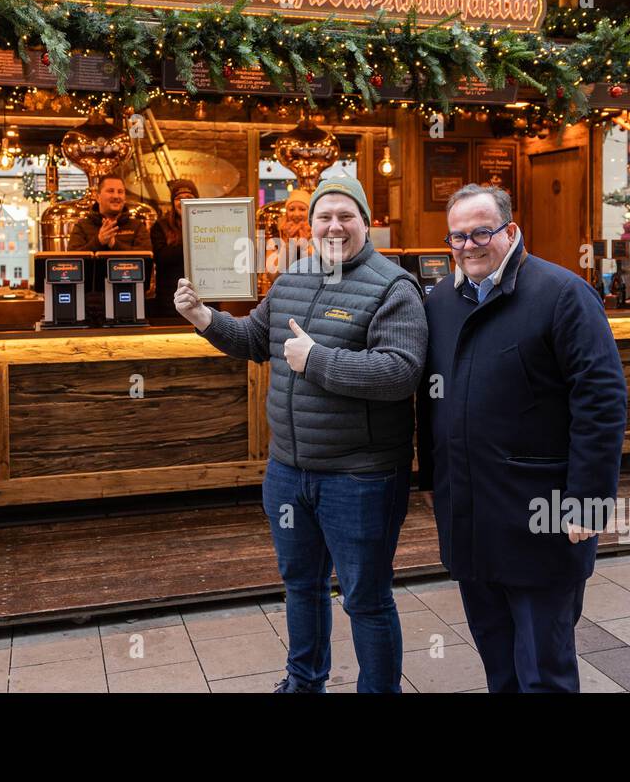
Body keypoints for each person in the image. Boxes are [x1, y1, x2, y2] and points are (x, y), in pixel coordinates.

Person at [174, 176, 427, 693]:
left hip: (361, 477)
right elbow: (255, 338)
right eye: (324, 216)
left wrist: (317, 361)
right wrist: (203, 317)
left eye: (345, 216)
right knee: (301, 588)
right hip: (289, 472)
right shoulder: (294, 276)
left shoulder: (394, 286)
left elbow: (400, 372)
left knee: (366, 598)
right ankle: (304, 683)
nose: (334, 226)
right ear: (310, 224)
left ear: (365, 221)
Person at [416, 184, 626, 692]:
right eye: (458, 236)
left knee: (544, 670)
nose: (469, 246)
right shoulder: (441, 300)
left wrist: (589, 503)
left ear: (510, 231)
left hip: (543, 516)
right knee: (498, 661)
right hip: (469, 515)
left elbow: (601, 400)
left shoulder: (563, 294)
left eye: (482, 232)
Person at [149, 178, 198, 321]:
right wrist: (193, 244)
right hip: (170, 298)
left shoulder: (207, 223)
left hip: (203, 297)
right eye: (179, 198)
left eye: (189, 197)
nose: (183, 202)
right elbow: (161, 258)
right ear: (172, 202)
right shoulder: (161, 226)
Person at [68, 174, 150, 251]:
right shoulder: (82, 226)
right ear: (97, 197)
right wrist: (98, 241)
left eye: (120, 192)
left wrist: (114, 244)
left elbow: (147, 261)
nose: (116, 196)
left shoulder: (137, 226)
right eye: (110, 191)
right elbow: (73, 262)